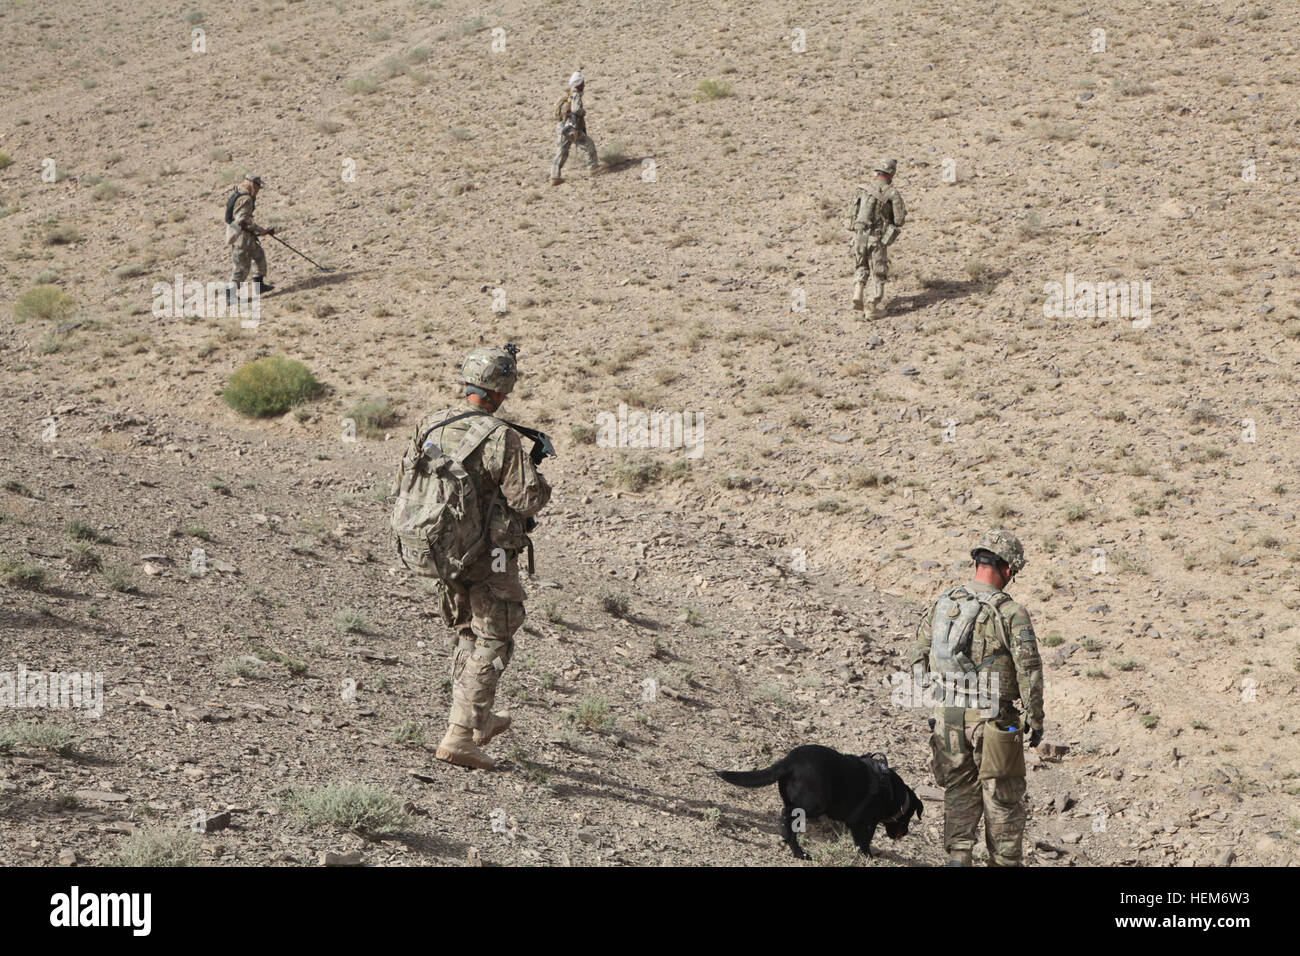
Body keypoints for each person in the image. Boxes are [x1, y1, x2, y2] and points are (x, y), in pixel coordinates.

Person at [402, 347, 551, 770]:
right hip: (492, 556)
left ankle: (477, 717)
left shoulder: (430, 423)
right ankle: (460, 735)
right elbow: (527, 500)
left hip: (442, 548)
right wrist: (537, 474)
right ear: (502, 390)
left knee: (468, 631)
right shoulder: (500, 436)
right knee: (496, 635)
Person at [912, 530, 1045, 865]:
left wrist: (941, 700)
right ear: (1008, 569)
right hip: (995, 722)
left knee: (958, 789)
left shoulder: (945, 602)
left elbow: (918, 657)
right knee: (1003, 796)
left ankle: (959, 856)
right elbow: (1029, 670)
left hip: (948, 718)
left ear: (977, 561)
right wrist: (1035, 717)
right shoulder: (1011, 612)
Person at [849, 159, 906, 315]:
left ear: (877, 172)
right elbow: (899, 220)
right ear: (891, 174)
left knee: (861, 265)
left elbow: (851, 217)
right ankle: (872, 307)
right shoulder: (892, 193)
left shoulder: (861, 189)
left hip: (858, 236)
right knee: (879, 271)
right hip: (877, 238)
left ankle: (858, 292)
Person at [224, 175, 274, 304]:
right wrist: (260, 230)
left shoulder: (240, 193)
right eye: (257, 186)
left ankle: (259, 285)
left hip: (247, 235)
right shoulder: (246, 198)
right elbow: (243, 220)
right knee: (242, 266)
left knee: (259, 255)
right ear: (251, 184)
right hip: (242, 237)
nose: (258, 189)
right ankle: (230, 296)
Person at [550, 71, 600, 184]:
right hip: (571, 128)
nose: (584, 85)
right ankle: (593, 167)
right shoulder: (575, 94)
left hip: (562, 128)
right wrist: (583, 112)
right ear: (579, 84)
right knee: (588, 143)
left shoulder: (566, 95)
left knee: (562, 151)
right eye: (583, 83)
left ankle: (554, 176)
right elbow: (576, 110)